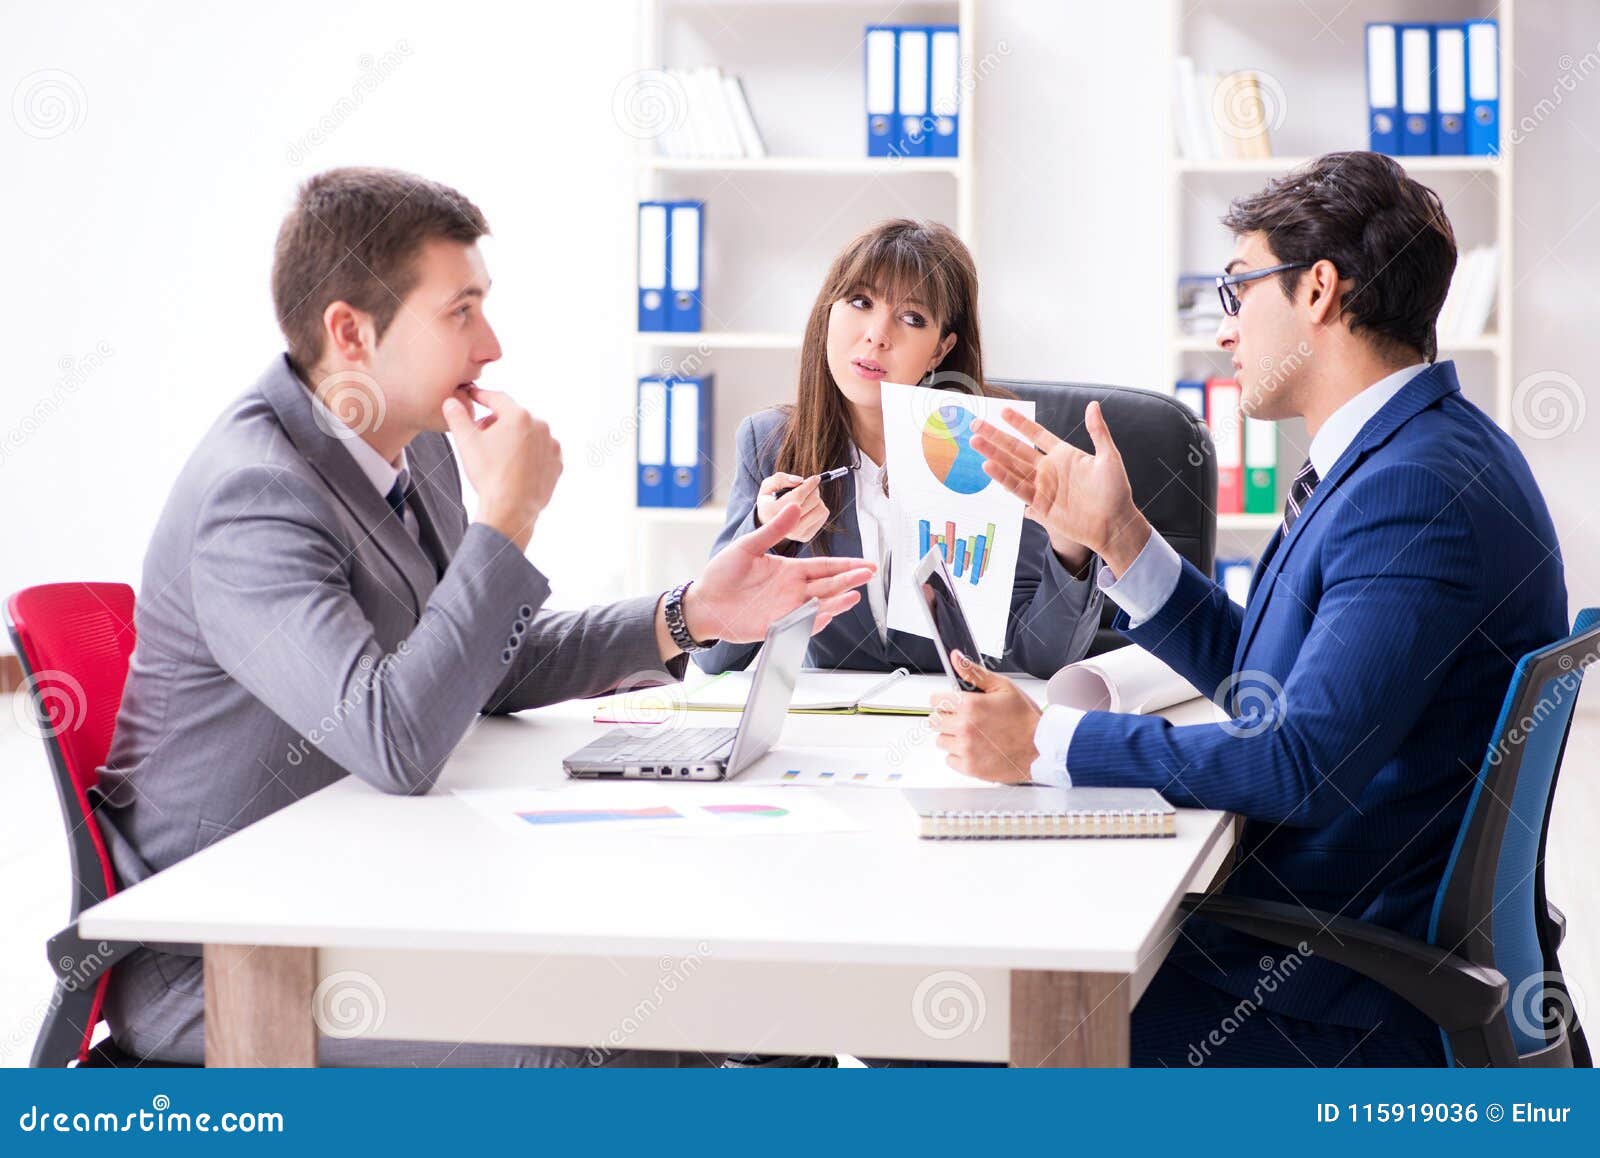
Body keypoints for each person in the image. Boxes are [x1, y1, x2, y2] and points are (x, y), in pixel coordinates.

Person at [93, 166, 874, 1067]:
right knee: (597, 1047)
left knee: (699, 988)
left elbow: (479, 662)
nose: (492, 343)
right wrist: (509, 519)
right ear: (349, 331)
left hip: (364, 887)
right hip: (234, 959)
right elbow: (394, 740)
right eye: (460, 311)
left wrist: (691, 612)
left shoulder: (412, 447)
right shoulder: (254, 498)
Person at [933, 151, 1567, 1066]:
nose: (1224, 330)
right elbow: (1279, 692)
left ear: (1318, 290)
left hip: (1336, 1004)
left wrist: (1043, 744)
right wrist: (1123, 544)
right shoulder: (1406, 453)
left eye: (1237, 290)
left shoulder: (1415, 492)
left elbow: (1300, 763)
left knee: (941, 1024)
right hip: (1330, 951)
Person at [695, 219, 1101, 680]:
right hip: (832, 730)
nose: (877, 335)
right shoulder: (769, 444)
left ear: (940, 351)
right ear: (829, 310)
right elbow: (713, 659)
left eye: (911, 318)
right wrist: (770, 536)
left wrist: (1071, 547)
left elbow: (1045, 657)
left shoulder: (991, 444)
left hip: (958, 727)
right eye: (860, 302)